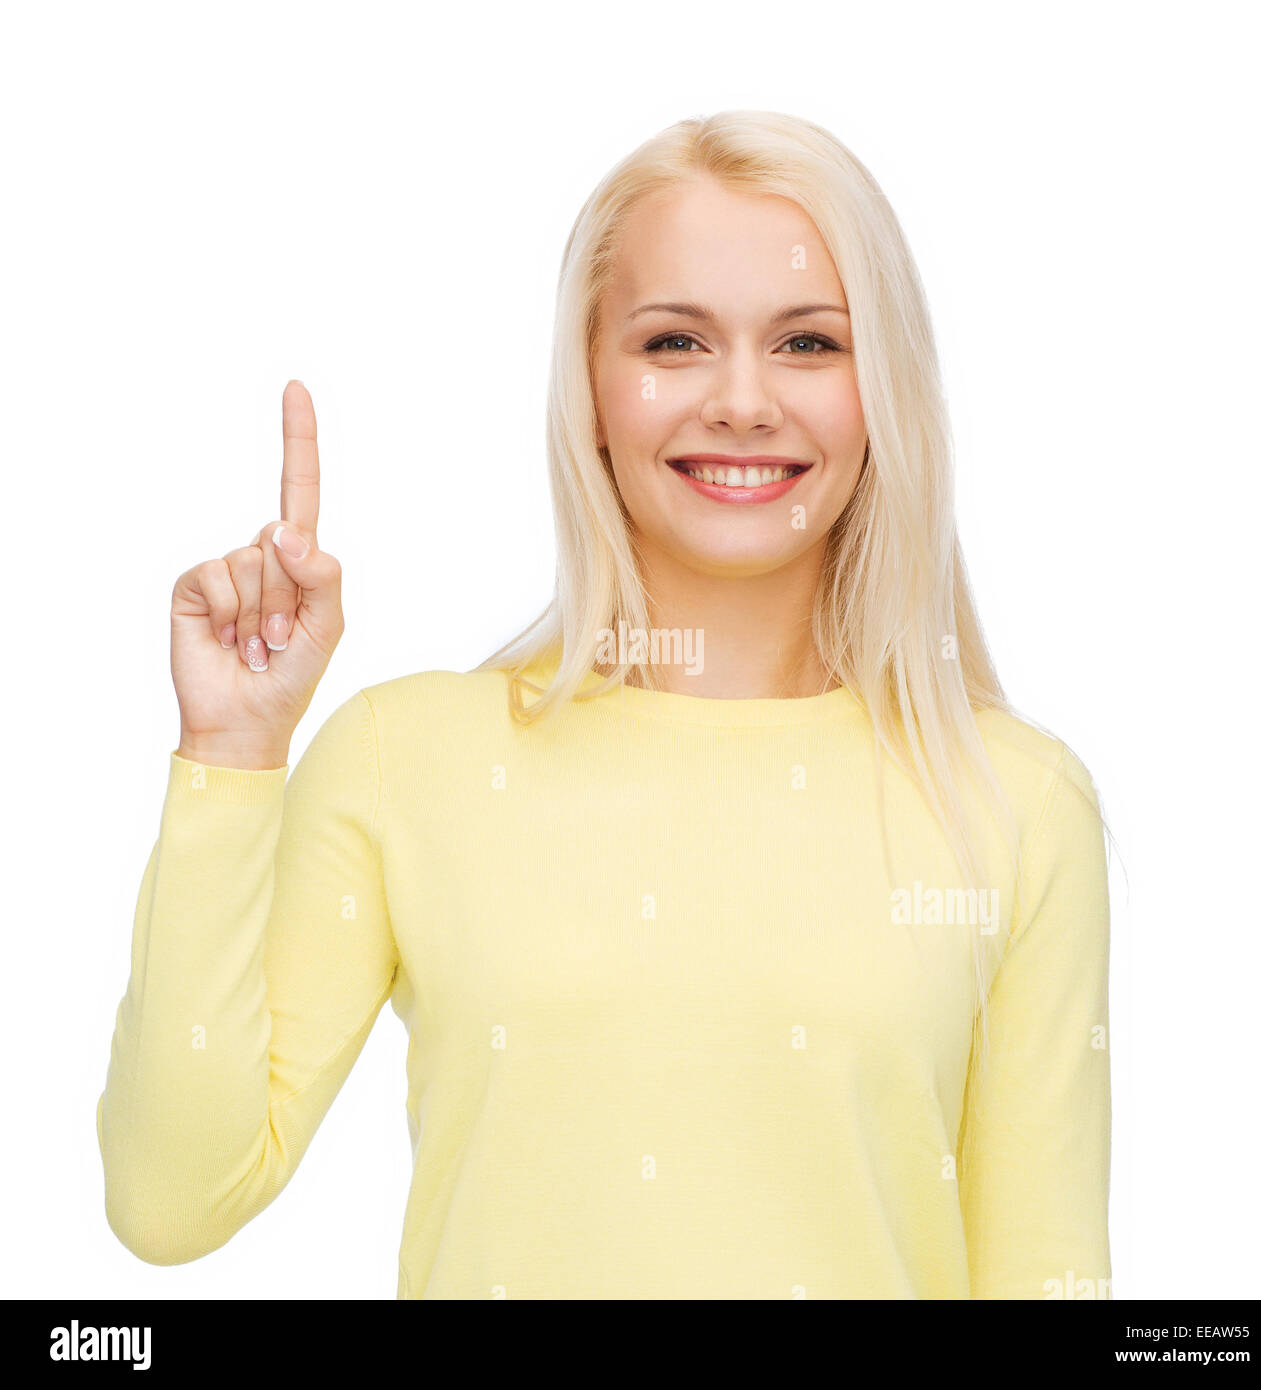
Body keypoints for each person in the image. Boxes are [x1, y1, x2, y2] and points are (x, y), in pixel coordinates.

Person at [96, 109, 1112, 1300]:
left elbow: (1046, 1278)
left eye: (807, 344)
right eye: (674, 342)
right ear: (589, 383)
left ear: (883, 385)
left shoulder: (1014, 800)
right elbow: (170, 1202)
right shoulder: (406, 756)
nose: (740, 402)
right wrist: (230, 753)